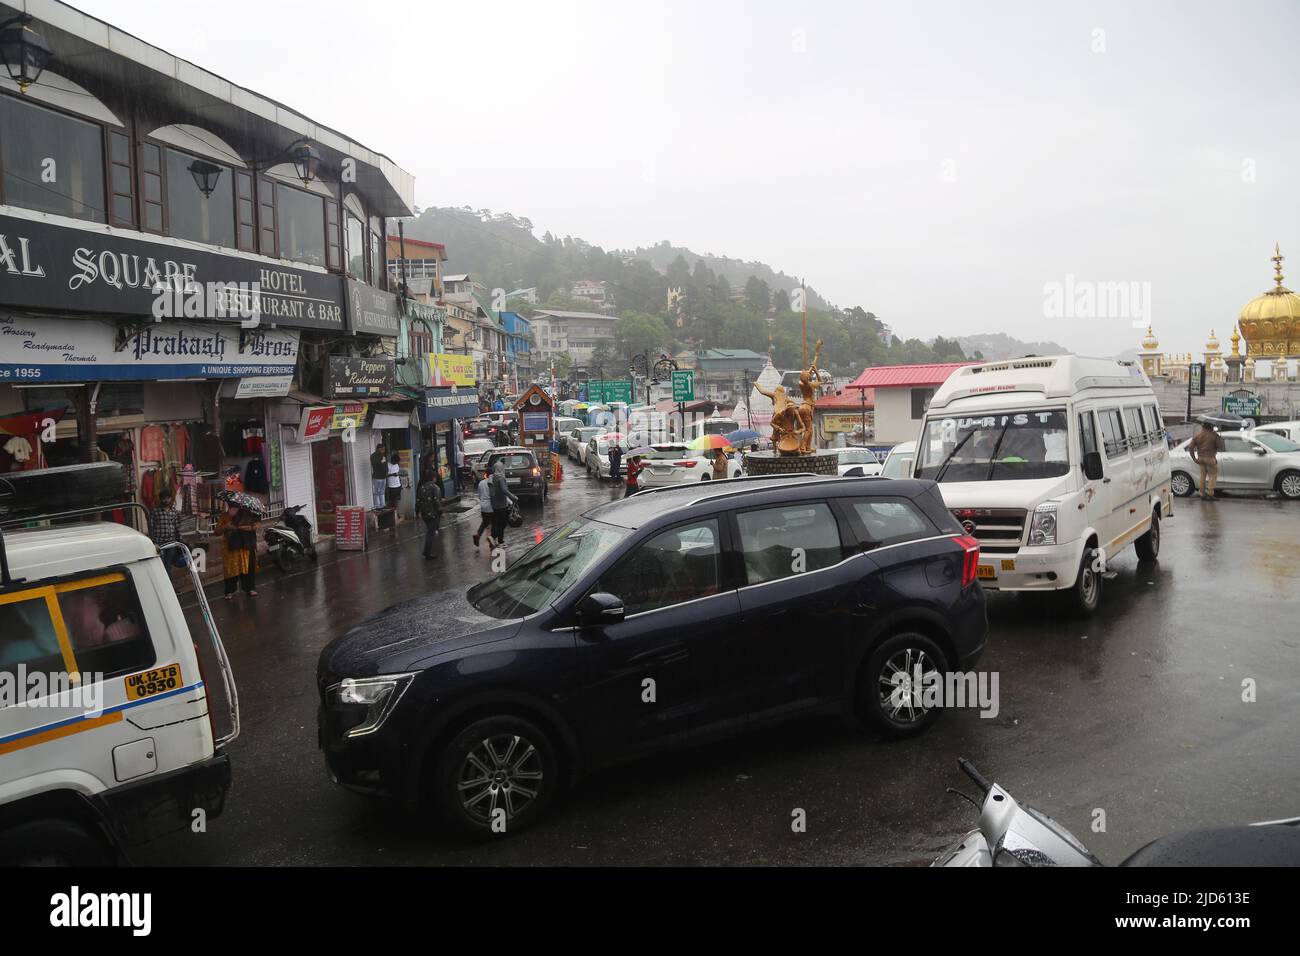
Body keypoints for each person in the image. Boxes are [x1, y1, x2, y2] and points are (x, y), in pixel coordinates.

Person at [217, 504, 258, 599]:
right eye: (231, 505)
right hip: (230, 548)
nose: (233, 507)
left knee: (248, 568)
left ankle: (250, 588)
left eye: (235, 506)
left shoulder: (247, 514)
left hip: (246, 547)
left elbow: (256, 525)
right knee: (231, 570)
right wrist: (226, 527)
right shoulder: (224, 516)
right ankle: (229, 591)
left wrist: (245, 527)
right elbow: (217, 532)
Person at [148, 489, 187, 568]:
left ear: (170, 498)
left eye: (167, 498)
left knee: (168, 564)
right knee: (160, 564)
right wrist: (152, 541)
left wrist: (180, 540)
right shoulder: (155, 511)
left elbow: (176, 526)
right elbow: (151, 526)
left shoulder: (173, 511)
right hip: (159, 543)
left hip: (171, 542)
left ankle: (169, 579)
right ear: (161, 499)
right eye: (164, 498)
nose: (166, 500)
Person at [1188, 421, 1226, 499]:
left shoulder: (1197, 435)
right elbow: (1220, 447)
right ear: (1211, 427)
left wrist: (1194, 458)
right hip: (1210, 458)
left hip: (1200, 458)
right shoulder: (1214, 435)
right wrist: (1220, 437)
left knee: (1202, 475)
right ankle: (1210, 493)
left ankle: (1202, 493)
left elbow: (1190, 447)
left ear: (1203, 427)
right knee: (1212, 476)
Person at [487, 459, 519, 549]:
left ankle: (494, 539)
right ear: (501, 468)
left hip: (493, 504)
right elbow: (505, 491)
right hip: (501, 504)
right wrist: (514, 497)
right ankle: (499, 541)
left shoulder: (492, 477)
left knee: (496, 522)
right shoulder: (501, 478)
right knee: (502, 523)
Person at [416, 470, 444, 560]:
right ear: (433, 478)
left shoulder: (421, 488)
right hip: (433, 513)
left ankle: (427, 551)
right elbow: (437, 501)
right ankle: (427, 552)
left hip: (424, 514)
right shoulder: (435, 488)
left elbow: (418, 501)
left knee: (430, 530)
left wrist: (417, 512)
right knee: (430, 533)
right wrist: (440, 512)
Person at [472, 468, 493, 546]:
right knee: (494, 523)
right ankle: (492, 539)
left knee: (485, 522)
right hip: (491, 506)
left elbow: (480, 495)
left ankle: (478, 535)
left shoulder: (481, 483)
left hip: (483, 506)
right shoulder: (492, 483)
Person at [369, 443, 387, 510]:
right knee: (377, 491)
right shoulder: (373, 456)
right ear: (378, 449)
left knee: (382, 491)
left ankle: (382, 505)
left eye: (384, 449)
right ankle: (377, 505)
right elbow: (376, 465)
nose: (383, 450)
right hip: (377, 477)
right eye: (382, 449)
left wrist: (386, 471)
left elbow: (385, 465)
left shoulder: (383, 456)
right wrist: (381, 461)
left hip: (383, 476)